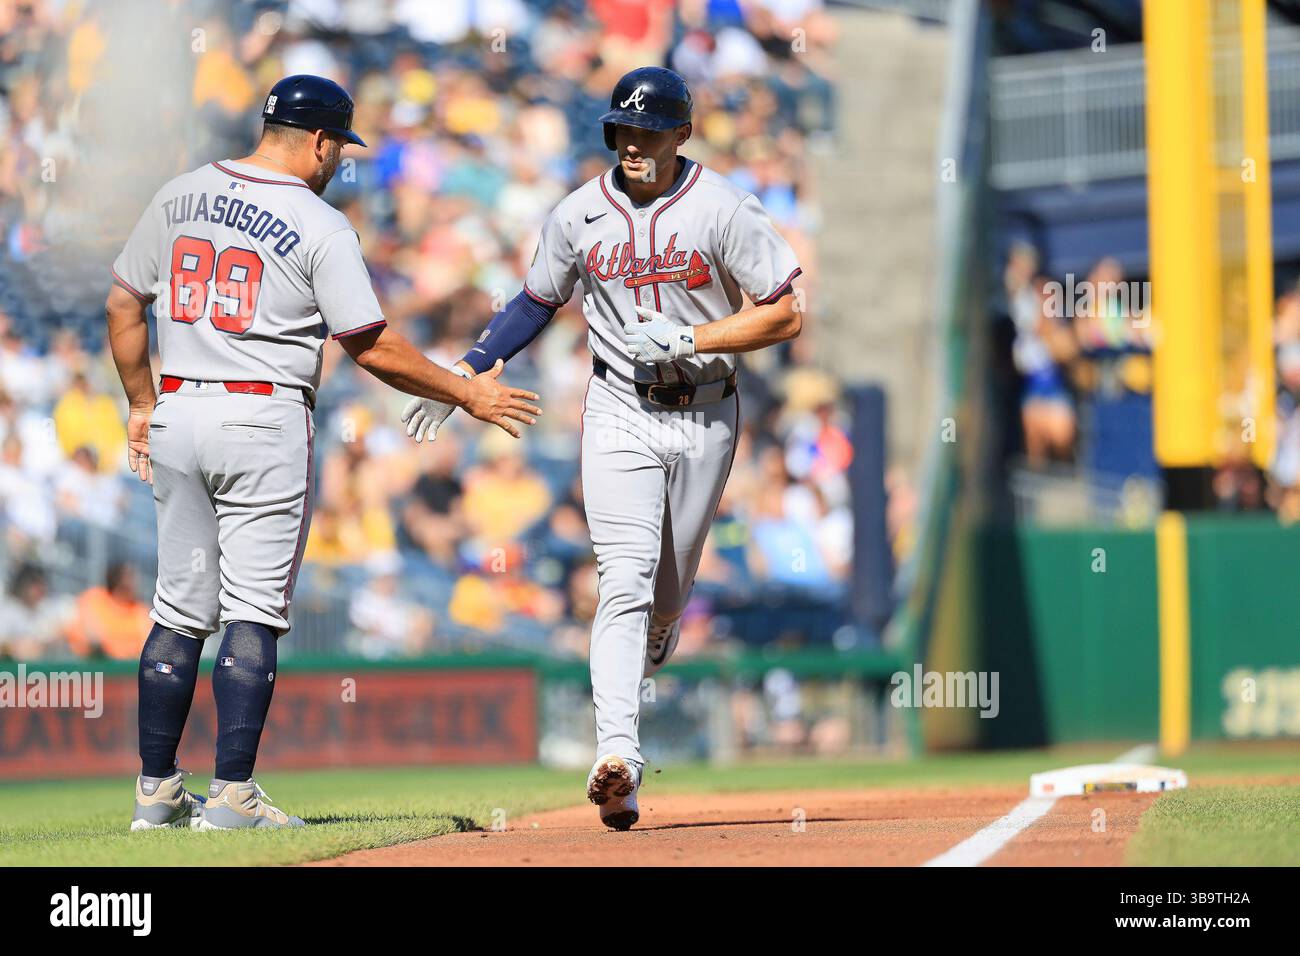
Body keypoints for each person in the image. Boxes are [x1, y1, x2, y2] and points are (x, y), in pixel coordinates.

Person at [105, 74, 542, 832]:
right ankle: (233, 796)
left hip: (177, 407)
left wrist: (142, 404)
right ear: (317, 140)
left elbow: (121, 303)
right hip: (261, 414)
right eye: (339, 144)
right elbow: (370, 345)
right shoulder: (319, 222)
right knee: (251, 612)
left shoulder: (177, 194)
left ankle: (154, 794)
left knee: (178, 610)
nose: (340, 159)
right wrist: (465, 391)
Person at [402, 66, 803, 829]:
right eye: (623, 128)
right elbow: (534, 302)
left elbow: (783, 315)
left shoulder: (722, 207)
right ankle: (617, 755)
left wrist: (693, 336)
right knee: (622, 576)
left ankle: (663, 623)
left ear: (681, 134)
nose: (634, 143)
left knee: (668, 587)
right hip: (618, 407)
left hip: (708, 410)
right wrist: (466, 373)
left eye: (650, 130)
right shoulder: (579, 212)